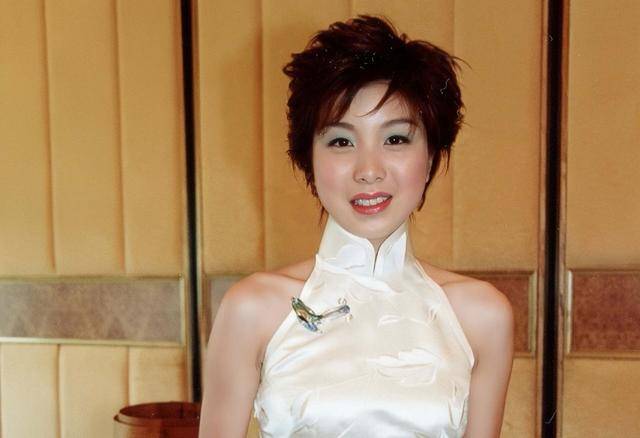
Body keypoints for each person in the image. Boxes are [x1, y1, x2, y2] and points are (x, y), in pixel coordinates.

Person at [199, 15, 514, 438]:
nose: (369, 170)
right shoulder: (252, 308)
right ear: (308, 160)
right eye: (341, 141)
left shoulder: (482, 316)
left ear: (430, 156)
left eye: (396, 139)